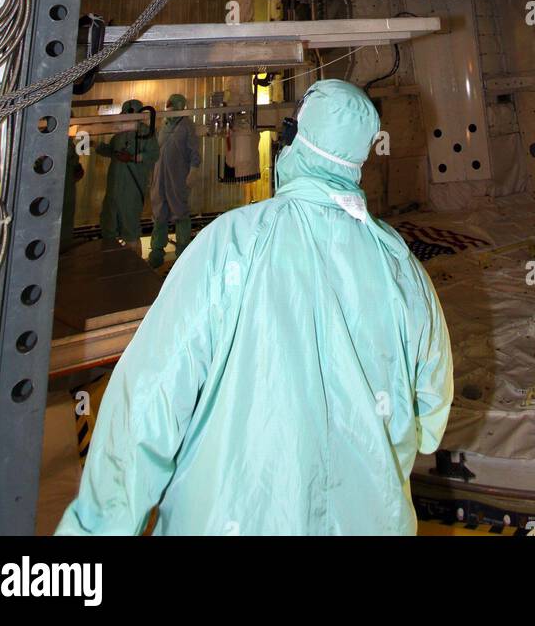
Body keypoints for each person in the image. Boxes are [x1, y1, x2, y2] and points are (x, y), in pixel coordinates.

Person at [56, 78, 453, 536]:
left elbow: (149, 398)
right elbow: (432, 413)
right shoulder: (399, 263)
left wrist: (97, 528)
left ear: (298, 139)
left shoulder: (230, 242)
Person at [98, 99, 159, 256]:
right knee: (109, 223)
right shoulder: (120, 133)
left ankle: (133, 266)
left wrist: (132, 158)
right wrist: (92, 143)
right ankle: (111, 262)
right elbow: (111, 151)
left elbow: (153, 154)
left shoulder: (146, 133)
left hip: (132, 188)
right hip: (114, 188)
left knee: (129, 226)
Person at [148, 92, 201, 270]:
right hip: (159, 175)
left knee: (180, 213)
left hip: (178, 177)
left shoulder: (186, 125)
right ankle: (157, 251)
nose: (169, 105)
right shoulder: (163, 124)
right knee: (159, 212)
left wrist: (193, 170)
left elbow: (194, 150)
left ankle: (183, 253)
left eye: (173, 103)